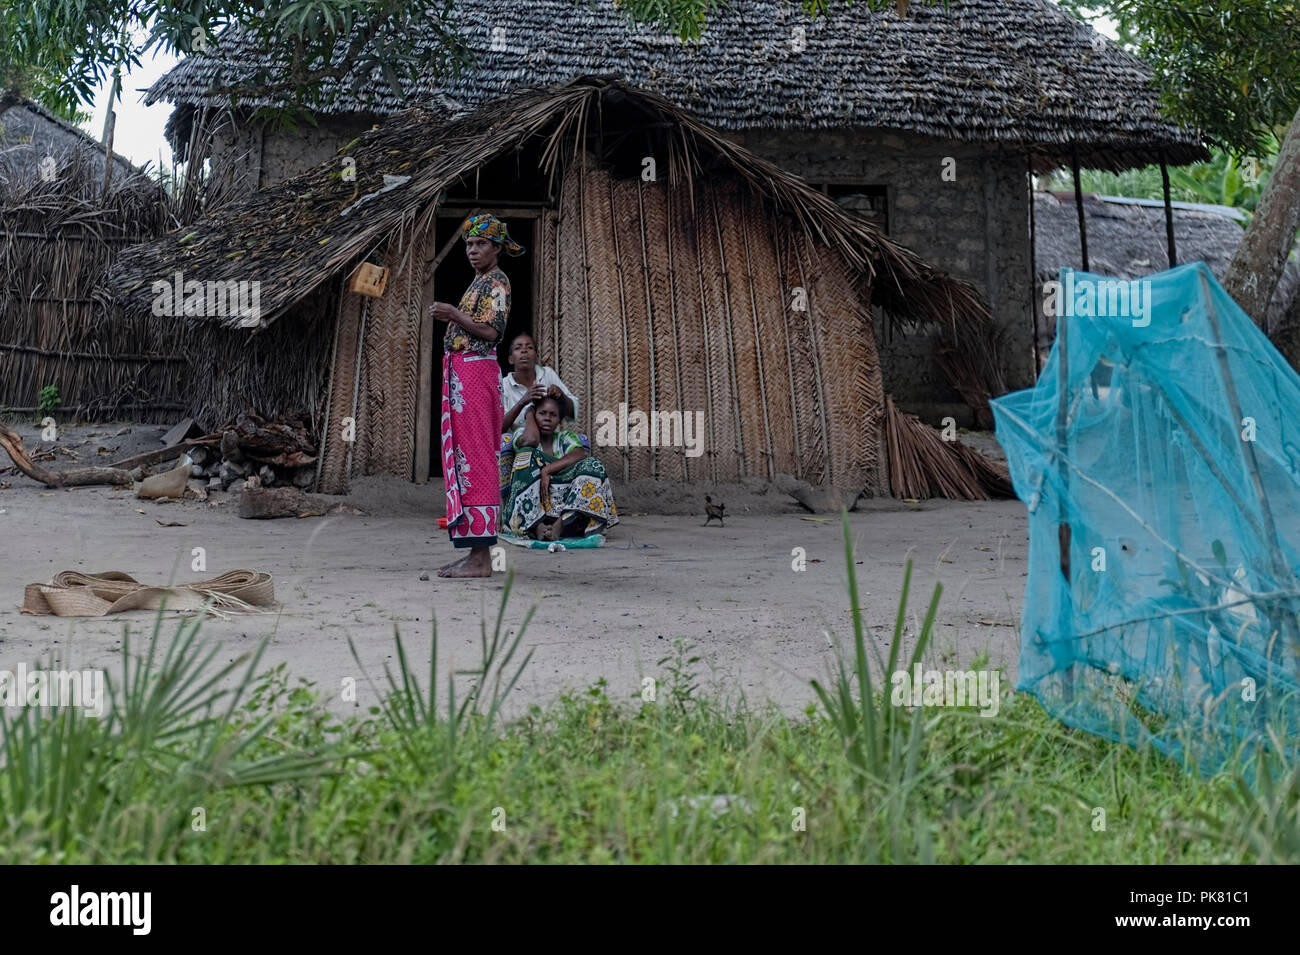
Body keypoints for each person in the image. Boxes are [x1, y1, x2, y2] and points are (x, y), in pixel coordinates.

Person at [430, 213, 523, 578]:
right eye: (469, 244)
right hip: (462, 375)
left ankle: (482, 559)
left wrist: (453, 313)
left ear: (497, 248)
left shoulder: (498, 284)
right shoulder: (480, 282)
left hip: (475, 373)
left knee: (479, 457)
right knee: (465, 458)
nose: (472, 250)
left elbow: (490, 332)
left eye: (481, 243)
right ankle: (474, 553)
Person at [502, 393, 619, 541]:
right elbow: (530, 440)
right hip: (532, 506)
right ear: (534, 415)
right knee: (526, 455)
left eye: (553, 415)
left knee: (593, 464)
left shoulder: (565, 438)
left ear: (559, 420)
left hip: (564, 505)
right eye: (542, 413)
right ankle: (537, 526)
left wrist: (547, 470)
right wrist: (529, 414)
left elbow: (579, 454)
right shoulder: (522, 434)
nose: (547, 418)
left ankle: (560, 524)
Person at [498, 332, 579, 498]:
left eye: (529, 348)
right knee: (504, 442)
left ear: (536, 355)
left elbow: (572, 412)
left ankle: (564, 497)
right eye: (518, 348)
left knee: (579, 444)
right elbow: (499, 426)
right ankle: (511, 501)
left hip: (548, 437)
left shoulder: (547, 374)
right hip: (520, 440)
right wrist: (523, 402)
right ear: (511, 359)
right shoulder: (505, 385)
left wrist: (561, 396)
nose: (524, 351)